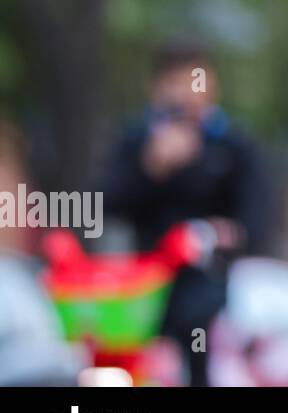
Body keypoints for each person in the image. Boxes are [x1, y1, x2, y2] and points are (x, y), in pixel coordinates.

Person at [99, 39, 274, 386]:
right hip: (145, 289)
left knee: (200, 340)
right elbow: (106, 203)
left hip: (212, 285)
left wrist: (226, 234)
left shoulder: (233, 146)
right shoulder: (137, 143)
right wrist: (152, 169)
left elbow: (258, 220)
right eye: (174, 82)